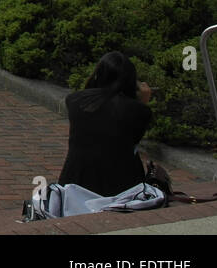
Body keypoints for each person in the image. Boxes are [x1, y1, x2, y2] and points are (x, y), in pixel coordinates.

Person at [58, 52, 154, 197]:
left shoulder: (74, 100)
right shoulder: (138, 110)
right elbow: (131, 142)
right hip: (120, 185)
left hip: (74, 180)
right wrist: (144, 101)